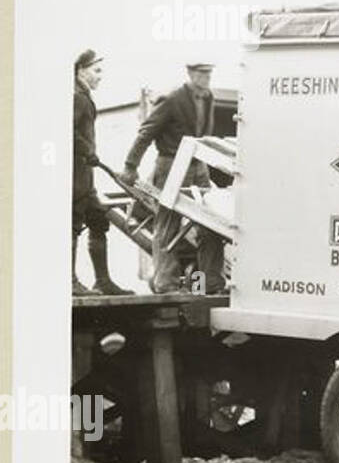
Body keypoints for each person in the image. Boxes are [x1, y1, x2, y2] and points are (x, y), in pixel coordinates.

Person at [121, 62, 226, 294]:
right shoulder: (172, 99)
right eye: (201, 73)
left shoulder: (208, 97)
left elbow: (204, 136)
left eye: (209, 73)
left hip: (198, 165)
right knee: (168, 224)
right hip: (171, 165)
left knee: (210, 223)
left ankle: (209, 283)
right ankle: (165, 283)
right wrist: (130, 166)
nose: (206, 78)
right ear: (190, 74)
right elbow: (146, 132)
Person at [73, 50, 130, 296]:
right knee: (72, 225)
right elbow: (67, 131)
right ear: (80, 71)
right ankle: (70, 281)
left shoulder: (84, 97)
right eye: (96, 71)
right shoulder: (77, 97)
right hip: (74, 174)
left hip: (85, 174)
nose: (100, 77)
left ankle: (103, 281)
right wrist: (87, 151)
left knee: (98, 218)